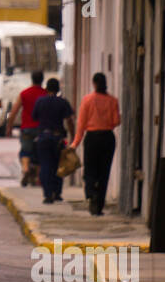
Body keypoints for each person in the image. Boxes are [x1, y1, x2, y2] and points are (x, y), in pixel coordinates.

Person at [72, 72, 122, 216]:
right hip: (107, 138)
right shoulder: (113, 101)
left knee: (90, 169)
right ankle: (98, 206)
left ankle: (91, 192)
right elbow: (115, 122)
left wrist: (75, 143)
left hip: (92, 138)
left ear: (94, 84)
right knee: (104, 172)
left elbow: (81, 123)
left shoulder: (87, 100)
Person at [33, 78, 76, 205]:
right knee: (59, 165)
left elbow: (34, 117)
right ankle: (57, 193)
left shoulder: (40, 101)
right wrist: (73, 136)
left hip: (43, 137)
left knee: (46, 165)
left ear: (46, 89)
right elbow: (69, 120)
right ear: (58, 89)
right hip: (58, 138)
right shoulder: (62, 102)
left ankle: (47, 194)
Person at [5, 70, 47, 187]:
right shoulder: (46, 94)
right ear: (42, 80)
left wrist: (9, 127)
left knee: (25, 151)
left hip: (27, 128)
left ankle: (25, 169)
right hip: (41, 129)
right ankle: (38, 178)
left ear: (31, 79)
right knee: (39, 153)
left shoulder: (24, 93)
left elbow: (14, 112)